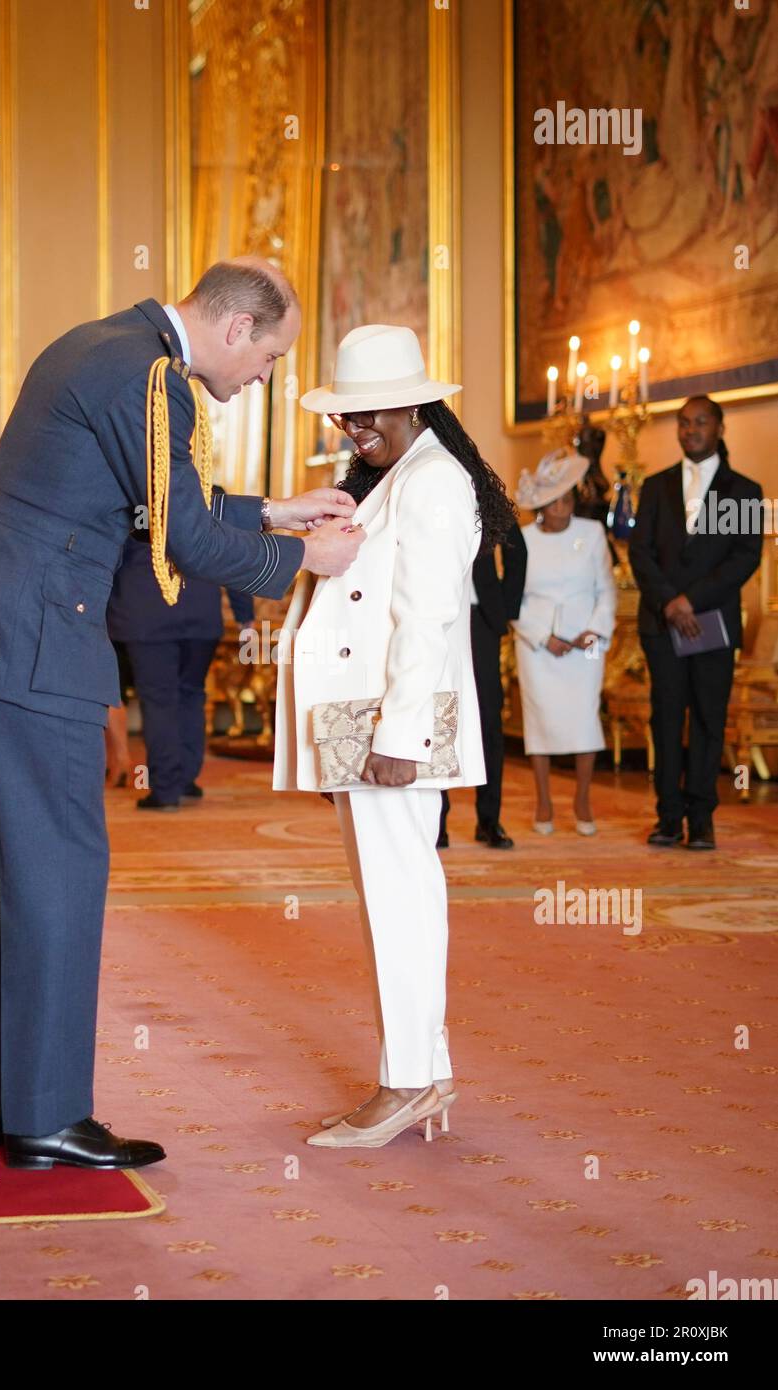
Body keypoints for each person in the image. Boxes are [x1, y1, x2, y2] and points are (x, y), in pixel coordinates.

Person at [0, 257, 364, 1171]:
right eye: (271, 359)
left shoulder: (104, 343)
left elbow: (149, 501)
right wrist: (303, 563)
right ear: (237, 330)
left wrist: (276, 511)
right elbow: (185, 533)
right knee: (58, 873)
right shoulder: (157, 378)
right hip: (38, 639)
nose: (264, 378)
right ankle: (44, 1118)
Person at [274, 324, 516, 1149]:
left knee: (400, 899)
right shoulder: (395, 479)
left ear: (414, 402)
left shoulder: (435, 484)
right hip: (364, 717)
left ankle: (407, 1080)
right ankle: (425, 1069)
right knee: (393, 897)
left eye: (369, 412)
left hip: (392, 723)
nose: (354, 427)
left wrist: (401, 733)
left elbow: (430, 619)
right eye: (345, 415)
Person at [629, 395, 762, 850]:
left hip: (712, 623)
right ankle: (668, 817)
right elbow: (639, 553)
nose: (690, 430)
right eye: (684, 423)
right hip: (662, 624)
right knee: (665, 719)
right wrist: (670, 602)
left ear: (720, 428)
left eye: (700, 422)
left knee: (708, 719)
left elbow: (746, 557)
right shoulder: (656, 485)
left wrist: (692, 600)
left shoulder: (744, 491)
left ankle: (701, 818)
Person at [107, 485, 255, 809]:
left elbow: (111, 559)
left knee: (160, 700)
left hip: (146, 615)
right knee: (191, 694)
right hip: (201, 613)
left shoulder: (137, 493)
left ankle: (165, 789)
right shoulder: (212, 495)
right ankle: (186, 779)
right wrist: (245, 617)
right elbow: (233, 554)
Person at [512, 450, 616, 835]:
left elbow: (606, 590)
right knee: (540, 721)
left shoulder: (590, 534)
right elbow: (513, 599)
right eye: (556, 499)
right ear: (540, 504)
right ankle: (543, 801)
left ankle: (583, 799)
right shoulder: (521, 540)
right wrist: (542, 635)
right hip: (538, 644)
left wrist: (595, 629)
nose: (564, 505)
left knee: (584, 719)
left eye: (569, 497)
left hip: (585, 644)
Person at [437, 521, 527, 849]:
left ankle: (489, 820)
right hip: (435, 618)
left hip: (481, 620)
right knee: (437, 717)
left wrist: (506, 607)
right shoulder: (426, 487)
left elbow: (516, 545)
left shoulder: (481, 489)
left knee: (489, 718)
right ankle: (437, 820)